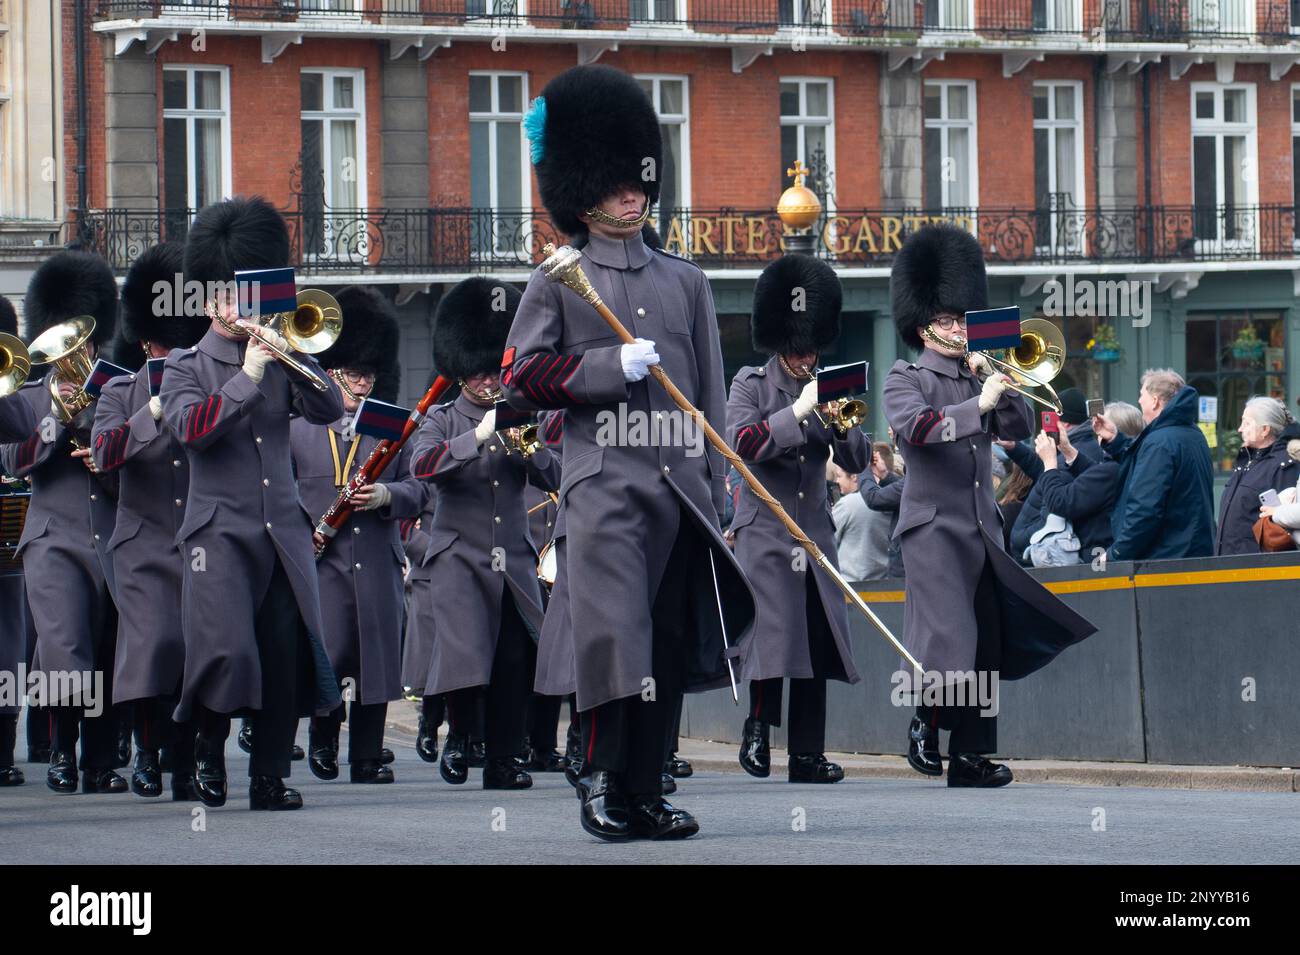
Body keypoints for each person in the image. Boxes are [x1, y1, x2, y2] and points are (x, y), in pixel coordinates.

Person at [504, 64, 755, 841]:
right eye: (615, 184)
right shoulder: (558, 280)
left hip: (678, 492)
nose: (632, 194)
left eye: (637, 180)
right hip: (605, 489)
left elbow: (711, 399)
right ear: (584, 189)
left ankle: (647, 786)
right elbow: (519, 379)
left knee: (667, 648)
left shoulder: (686, 281)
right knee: (614, 643)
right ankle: (603, 781)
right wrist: (609, 368)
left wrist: (717, 488)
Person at [884, 223, 1096, 786]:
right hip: (932, 528)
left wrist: (998, 377)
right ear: (923, 325)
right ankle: (925, 721)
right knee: (946, 636)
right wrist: (977, 400)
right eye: (946, 321)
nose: (956, 328)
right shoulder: (905, 377)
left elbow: (1015, 425)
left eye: (961, 319)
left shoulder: (980, 369)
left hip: (981, 526)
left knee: (983, 642)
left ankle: (971, 756)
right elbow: (918, 429)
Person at [162, 196, 344, 811]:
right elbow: (191, 430)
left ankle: (268, 776)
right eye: (232, 297)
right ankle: (208, 753)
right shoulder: (186, 367)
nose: (243, 308)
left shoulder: (280, 354)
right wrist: (248, 373)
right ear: (210, 301)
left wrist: (291, 361)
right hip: (218, 535)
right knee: (224, 652)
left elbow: (331, 410)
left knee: (284, 652)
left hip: (281, 531)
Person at [411, 277, 560, 791]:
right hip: (458, 554)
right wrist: (475, 437)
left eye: (494, 371)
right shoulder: (441, 418)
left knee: (516, 660)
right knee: (464, 653)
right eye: (479, 373)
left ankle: (504, 758)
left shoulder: (523, 419)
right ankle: (458, 738)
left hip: (512, 558)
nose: (489, 382)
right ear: (461, 373)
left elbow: (557, 476)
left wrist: (531, 451)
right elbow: (423, 467)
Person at [726, 254, 866, 784]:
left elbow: (854, 462)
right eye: (799, 347)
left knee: (816, 635)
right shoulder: (749, 385)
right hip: (764, 528)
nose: (807, 355)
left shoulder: (828, 385)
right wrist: (800, 411)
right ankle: (758, 732)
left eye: (812, 347)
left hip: (814, 532)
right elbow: (743, 445)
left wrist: (841, 422)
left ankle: (807, 753)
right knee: (770, 635)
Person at [1, 251, 125, 795]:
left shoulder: (119, 393)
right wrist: (57, 421)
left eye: (86, 342)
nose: (78, 353)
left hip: (114, 537)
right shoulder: (29, 398)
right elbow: (12, 460)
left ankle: (100, 763)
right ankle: (61, 754)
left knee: (107, 652)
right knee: (63, 647)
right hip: (52, 539)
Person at [90, 242, 209, 800]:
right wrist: (153, 410)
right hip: (141, 540)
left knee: (192, 654)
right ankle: (144, 750)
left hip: (197, 540)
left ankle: (182, 763)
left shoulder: (204, 387)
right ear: (144, 343)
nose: (171, 355)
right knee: (151, 647)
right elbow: (106, 453)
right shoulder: (118, 392)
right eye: (163, 346)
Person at [294, 286, 424, 785]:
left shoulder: (393, 430)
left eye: (369, 374)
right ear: (331, 373)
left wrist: (387, 497)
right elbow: (282, 494)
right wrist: (307, 532)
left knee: (375, 664)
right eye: (353, 374)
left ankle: (367, 755)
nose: (363, 383)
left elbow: (421, 490)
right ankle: (323, 745)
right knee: (330, 655)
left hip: (376, 555)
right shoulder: (297, 429)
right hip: (322, 562)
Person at [1092, 369, 1214, 563]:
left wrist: (1118, 552)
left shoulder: (1159, 442)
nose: (1139, 401)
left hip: (1165, 559)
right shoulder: (1192, 434)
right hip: (1189, 552)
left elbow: (1145, 509)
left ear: (1155, 401)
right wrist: (1116, 439)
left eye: (1142, 395)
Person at [1026, 401, 1144, 565]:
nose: (1097, 432)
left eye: (1102, 426)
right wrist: (1068, 451)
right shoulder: (1132, 463)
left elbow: (1060, 502)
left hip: (1098, 557)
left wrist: (1049, 463)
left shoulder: (1111, 470)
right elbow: (1098, 476)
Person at [1215, 396, 1300, 556]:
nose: (1240, 429)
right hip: (1229, 564)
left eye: (1247, 423)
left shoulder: (1285, 465)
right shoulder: (1247, 460)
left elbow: (1283, 532)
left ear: (1265, 430)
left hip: (1258, 570)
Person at [861, 440, 905, 578]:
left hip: (904, 568)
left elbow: (873, 498)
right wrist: (884, 474)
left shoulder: (919, 477)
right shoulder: (927, 476)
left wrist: (864, 468)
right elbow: (903, 490)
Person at [831, 466, 883, 581]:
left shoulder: (846, 505)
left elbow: (828, 539)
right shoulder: (886, 502)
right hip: (884, 582)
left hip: (850, 582)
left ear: (855, 477)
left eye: (839, 476)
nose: (837, 481)